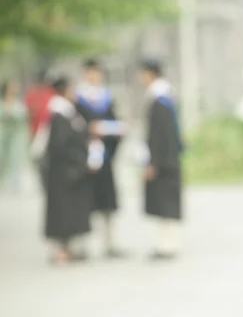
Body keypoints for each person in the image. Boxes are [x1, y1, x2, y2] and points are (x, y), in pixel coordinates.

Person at [44, 76, 103, 263]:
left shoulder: (70, 112)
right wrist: (81, 157)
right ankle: (61, 249)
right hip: (63, 173)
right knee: (62, 212)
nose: (74, 93)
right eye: (71, 90)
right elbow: (61, 146)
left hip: (72, 172)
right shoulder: (58, 114)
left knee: (72, 210)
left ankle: (71, 248)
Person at [75, 58, 127, 258]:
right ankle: (82, 245)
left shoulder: (107, 97)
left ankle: (109, 244)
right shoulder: (77, 99)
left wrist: (112, 133)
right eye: (90, 72)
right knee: (85, 202)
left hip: (104, 157)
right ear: (85, 74)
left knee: (107, 203)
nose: (94, 76)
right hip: (85, 159)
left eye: (97, 72)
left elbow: (115, 122)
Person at [138, 59, 183, 260]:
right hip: (170, 159)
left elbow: (158, 136)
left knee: (166, 204)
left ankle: (167, 246)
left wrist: (153, 163)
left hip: (163, 162)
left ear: (150, 73)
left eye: (142, 73)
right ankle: (167, 244)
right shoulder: (167, 96)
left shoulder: (159, 100)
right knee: (168, 203)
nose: (140, 78)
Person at [0, 80, 28, 193]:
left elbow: (23, 116)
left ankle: (14, 183)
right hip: (2, 135)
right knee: (2, 158)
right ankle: (2, 181)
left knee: (14, 159)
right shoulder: (2, 102)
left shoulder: (18, 103)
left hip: (15, 136)